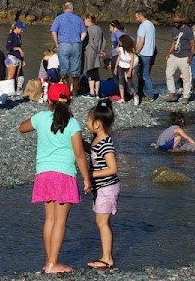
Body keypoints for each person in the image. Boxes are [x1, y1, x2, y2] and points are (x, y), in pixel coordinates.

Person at [18, 83, 91, 275]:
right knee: (60, 221)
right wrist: (87, 179)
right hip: (64, 174)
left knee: (49, 219)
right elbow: (79, 155)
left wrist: (38, 123)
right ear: (70, 100)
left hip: (43, 173)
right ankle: (53, 264)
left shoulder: (41, 118)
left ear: (49, 100)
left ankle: (49, 260)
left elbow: (22, 128)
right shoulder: (72, 123)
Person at [85, 99, 118, 271]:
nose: (87, 123)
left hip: (107, 188)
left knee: (102, 222)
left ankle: (107, 259)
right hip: (101, 188)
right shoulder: (96, 140)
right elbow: (92, 152)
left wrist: (90, 175)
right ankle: (106, 256)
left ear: (97, 124)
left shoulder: (105, 143)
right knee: (102, 221)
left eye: (89, 120)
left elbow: (112, 168)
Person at [50, 2, 87, 83]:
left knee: (64, 69)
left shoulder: (59, 18)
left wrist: (56, 43)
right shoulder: (78, 19)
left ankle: (65, 90)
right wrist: (79, 41)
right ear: (72, 8)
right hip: (75, 45)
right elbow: (84, 33)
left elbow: (53, 32)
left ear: (64, 8)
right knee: (75, 70)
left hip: (63, 44)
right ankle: (74, 91)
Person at [163, 14, 195, 103]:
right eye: (174, 22)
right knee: (168, 73)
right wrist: (169, 53)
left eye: (177, 22)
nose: (176, 23)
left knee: (186, 77)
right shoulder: (173, 29)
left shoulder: (188, 30)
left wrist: (191, 56)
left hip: (185, 56)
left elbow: (192, 43)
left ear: (182, 21)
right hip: (174, 55)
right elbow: (173, 42)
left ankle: (185, 96)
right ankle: (172, 93)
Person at [134, 11, 158, 101]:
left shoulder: (143, 26)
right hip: (149, 53)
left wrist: (136, 52)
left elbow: (141, 41)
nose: (136, 19)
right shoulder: (151, 24)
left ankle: (150, 94)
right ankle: (140, 91)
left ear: (141, 16)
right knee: (141, 73)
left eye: (136, 17)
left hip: (143, 53)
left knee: (145, 74)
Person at [83, 15, 105, 97]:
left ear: (89, 20)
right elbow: (104, 41)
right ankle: (97, 92)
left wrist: (97, 51)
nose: (84, 21)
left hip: (90, 52)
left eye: (84, 20)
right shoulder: (99, 28)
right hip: (98, 52)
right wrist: (101, 51)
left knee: (90, 71)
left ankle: (92, 92)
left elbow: (91, 42)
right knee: (96, 72)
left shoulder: (89, 29)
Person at [115, 35, 137, 104]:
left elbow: (132, 61)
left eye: (120, 42)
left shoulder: (131, 50)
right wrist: (116, 67)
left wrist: (130, 70)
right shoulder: (121, 49)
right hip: (121, 66)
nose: (119, 43)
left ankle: (135, 95)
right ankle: (122, 98)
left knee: (129, 82)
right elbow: (119, 57)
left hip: (128, 66)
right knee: (121, 81)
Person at [7, 20, 26, 92]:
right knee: (11, 76)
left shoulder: (19, 36)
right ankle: (8, 92)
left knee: (17, 77)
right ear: (17, 28)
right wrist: (18, 49)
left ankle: (14, 91)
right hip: (12, 57)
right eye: (21, 29)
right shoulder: (11, 36)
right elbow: (8, 47)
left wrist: (22, 59)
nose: (22, 31)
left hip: (18, 58)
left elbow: (20, 48)